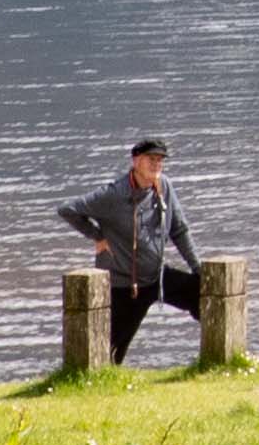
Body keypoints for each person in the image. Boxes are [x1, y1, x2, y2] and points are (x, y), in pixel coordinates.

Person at [57, 137, 202, 366]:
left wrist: (198, 269)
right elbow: (68, 210)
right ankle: (95, 383)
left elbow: (179, 230)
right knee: (110, 354)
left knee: (205, 294)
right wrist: (98, 236)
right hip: (124, 287)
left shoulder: (164, 186)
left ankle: (221, 359)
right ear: (135, 161)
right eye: (150, 159)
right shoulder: (113, 195)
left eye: (159, 160)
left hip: (157, 278)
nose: (156, 165)